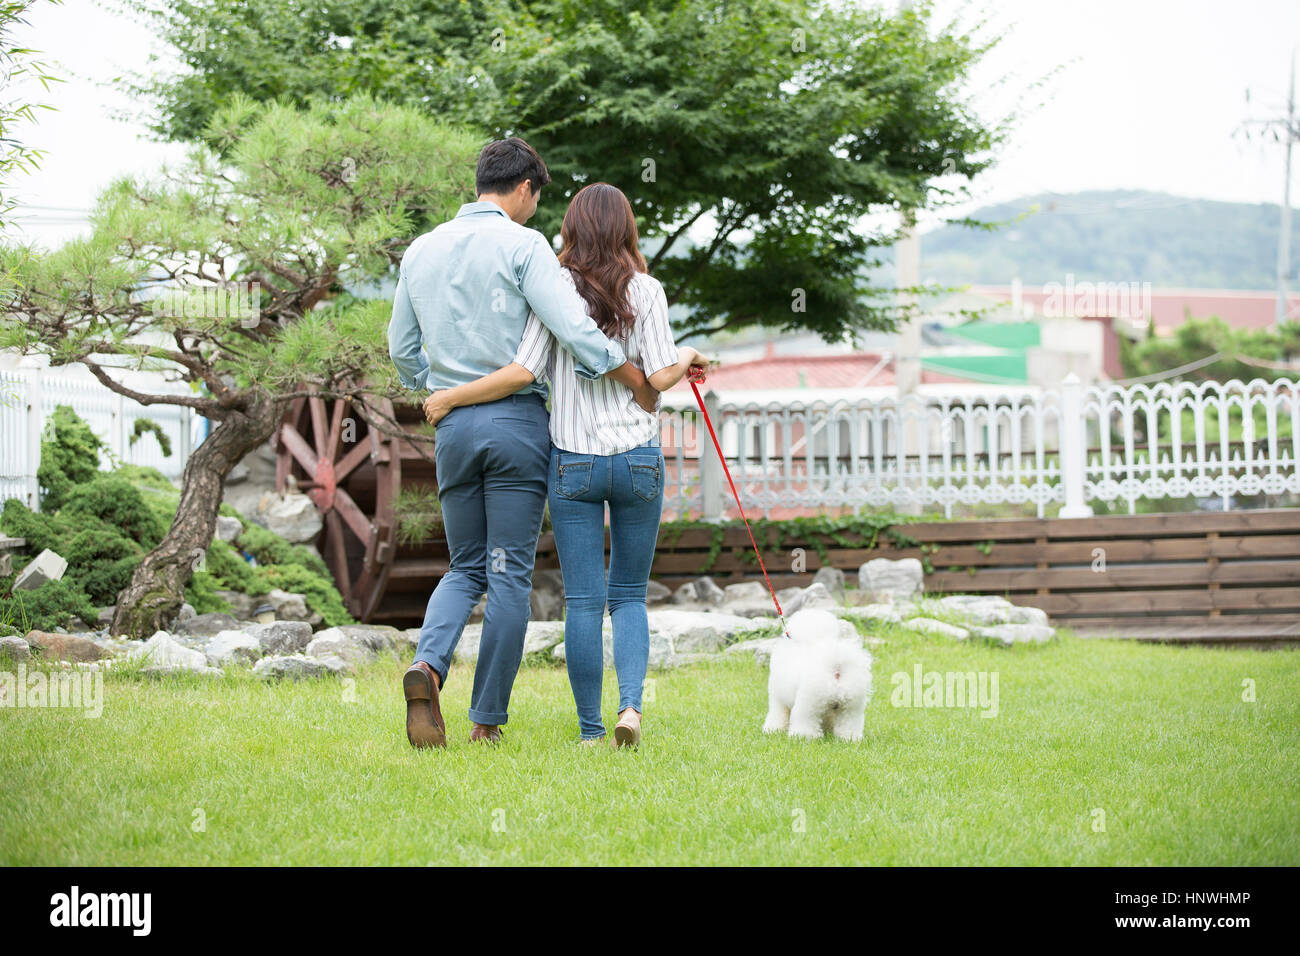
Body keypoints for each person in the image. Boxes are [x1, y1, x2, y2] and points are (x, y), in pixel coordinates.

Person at [388, 139, 659, 749]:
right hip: (515, 424)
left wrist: (436, 392)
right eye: (538, 197)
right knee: (507, 572)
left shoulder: (421, 248)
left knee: (464, 566)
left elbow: (402, 349)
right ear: (525, 189)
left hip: (453, 424)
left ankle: (428, 665)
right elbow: (573, 328)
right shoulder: (523, 244)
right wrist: (630, 376)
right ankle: (486, 721)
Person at [423, 182, 710, 748]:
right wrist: (689, 357)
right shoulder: (648, 290)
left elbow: (524, 368)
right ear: (626, 229)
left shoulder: (552, 290)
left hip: (574, 462)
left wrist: (451, 397)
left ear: (572, 230)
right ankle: (630, 709)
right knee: (629, 594)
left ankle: (589, 731)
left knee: (583, 600)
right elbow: (656, 380)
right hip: (638, 461)